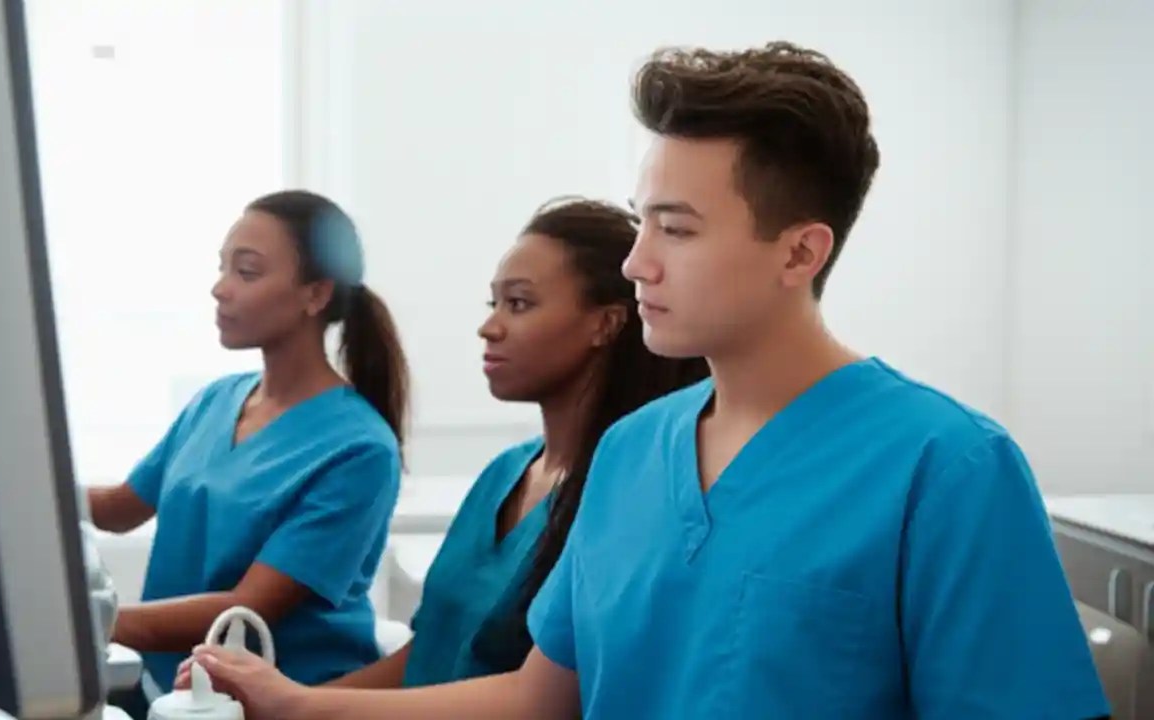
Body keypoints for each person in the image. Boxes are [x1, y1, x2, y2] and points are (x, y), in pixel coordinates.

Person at [179, 43, 1111, 719]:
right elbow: (546, 695)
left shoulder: (945, 469)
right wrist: (297, 707)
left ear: (800, 251)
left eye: (677, 228)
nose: (635, 263)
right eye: (640, 223)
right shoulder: (630, 453)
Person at [177, 197, 708, 694]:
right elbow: (425, 656)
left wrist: (296, 706)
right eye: (493, 303)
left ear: (606, 324)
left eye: (518, 304)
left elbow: (542, 699)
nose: (488, 327)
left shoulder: (623, 497)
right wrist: (280, 704)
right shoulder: (505, 473)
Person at [88, 190, 410, 699]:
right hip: (170, 690)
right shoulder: (216, 401)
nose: (220, 289)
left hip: (270, 704)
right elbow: (118, 509)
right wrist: (12, 485)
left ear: (315, 294)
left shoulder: (359, 450)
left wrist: (85, 622)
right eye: (222, 268)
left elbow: (247, 608)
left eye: (247, 272)